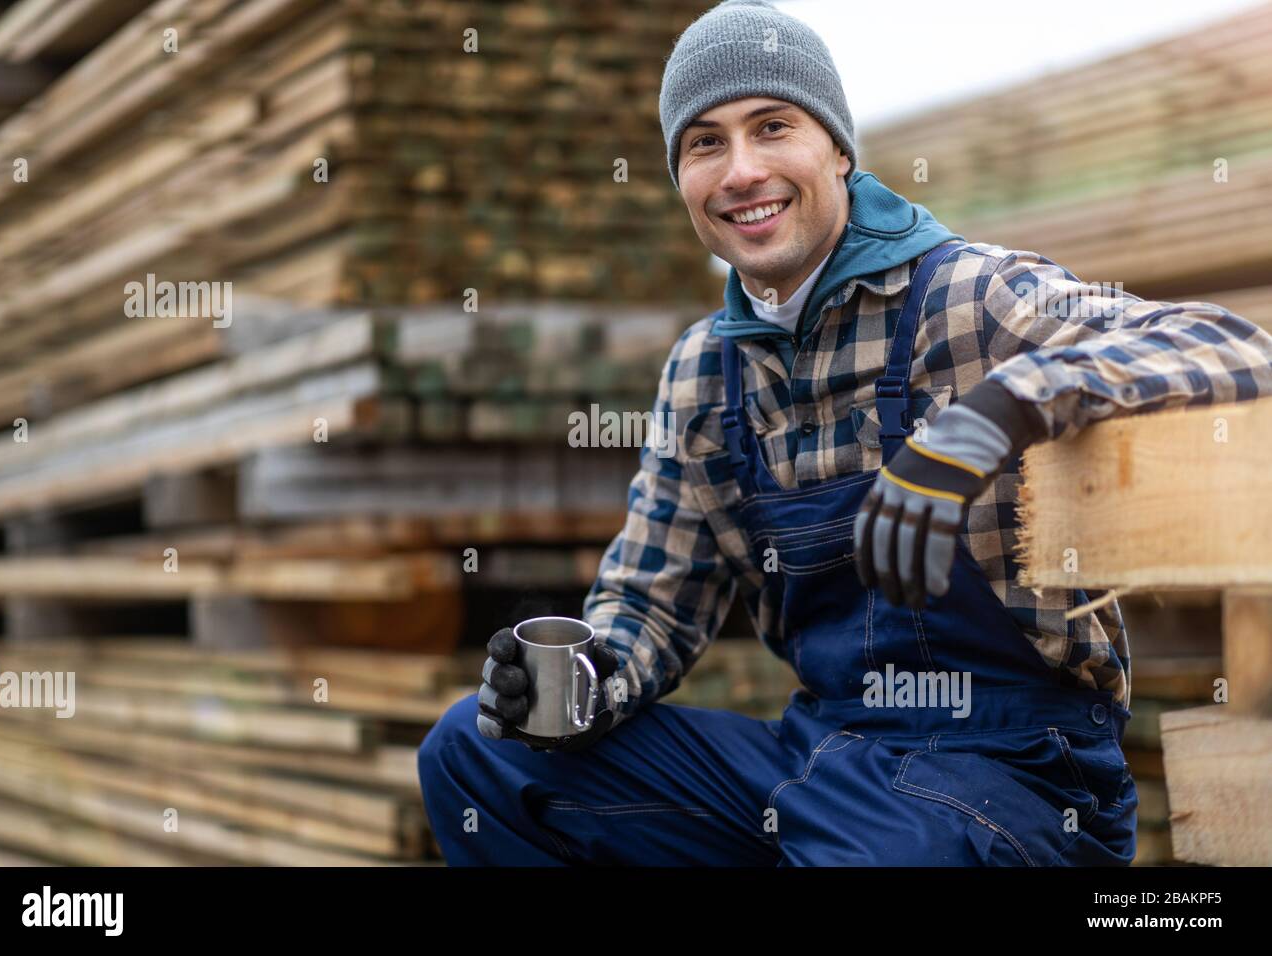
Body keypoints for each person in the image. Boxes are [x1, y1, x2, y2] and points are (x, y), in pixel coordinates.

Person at [419, 0, 1272, 866]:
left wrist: (1002, 409)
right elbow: (650, 602)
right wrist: (589, 679)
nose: (742, 170)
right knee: (476, 754)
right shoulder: (703, 372)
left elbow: (1237, 348)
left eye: (773, 126)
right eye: (705, 143)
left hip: (1012, 779)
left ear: (838, 149)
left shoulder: (973, 301)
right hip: (825, 764)